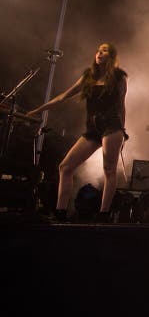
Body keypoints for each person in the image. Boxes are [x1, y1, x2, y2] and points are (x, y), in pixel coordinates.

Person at [27, 43, 128, 222]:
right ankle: (60, 212)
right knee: (65, 167)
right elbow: (63, 96)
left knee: (109, 170)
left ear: (111, 56)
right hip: (93, 129)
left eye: (104, 51)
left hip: (112, 127)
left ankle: (104, 214)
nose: (99, 53)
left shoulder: (119, 78)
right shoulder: (89, 77)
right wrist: (38, 110)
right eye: (97, 50)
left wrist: (122, 130)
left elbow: (122, 105)